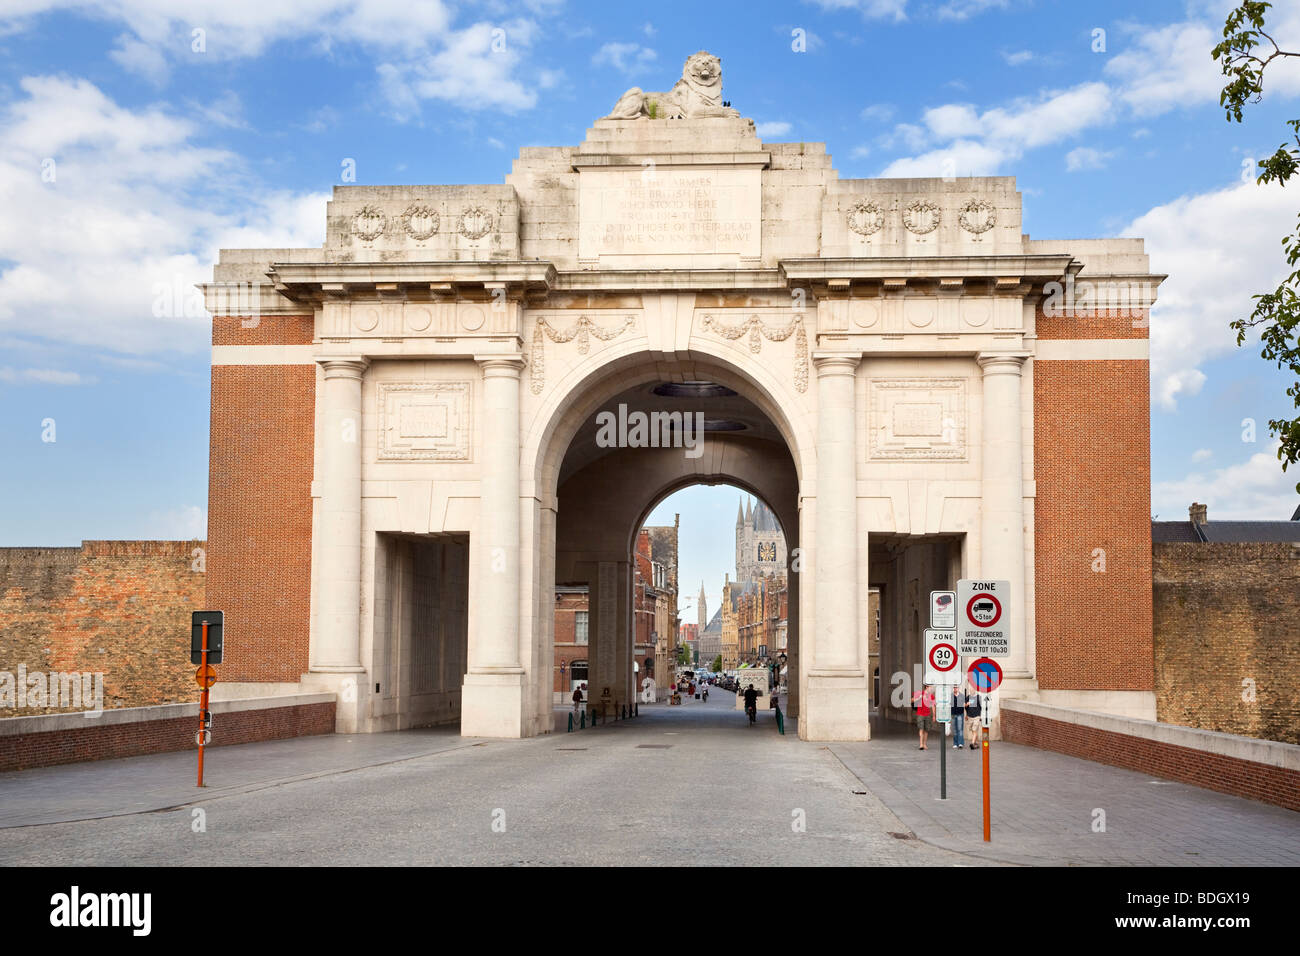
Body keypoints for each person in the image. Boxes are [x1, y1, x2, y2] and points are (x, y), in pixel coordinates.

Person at [911, 684, 935, 750]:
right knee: (921, 729)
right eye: (928, 686)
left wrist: (934, 715)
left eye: (930, 687)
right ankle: (921, 744)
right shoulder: (920, 693)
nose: (929, 688)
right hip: (920, 714)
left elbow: (933, 706)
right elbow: (912, 700)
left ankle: (924, 744)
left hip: (927, 714)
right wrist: (918, 698)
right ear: (926, 687)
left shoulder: (931, 696)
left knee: (926, 730)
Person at [951, 684, 966, 749]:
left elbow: (965, 705)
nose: (955, 689)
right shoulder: (951, 696)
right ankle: (955, 743)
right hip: (953, 714)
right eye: (954, 688)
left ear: (958, 688)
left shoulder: (962, 696)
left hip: (960, 714)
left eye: (956, 688)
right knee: (954, 729)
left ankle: (960, 743)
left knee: (960, 729)